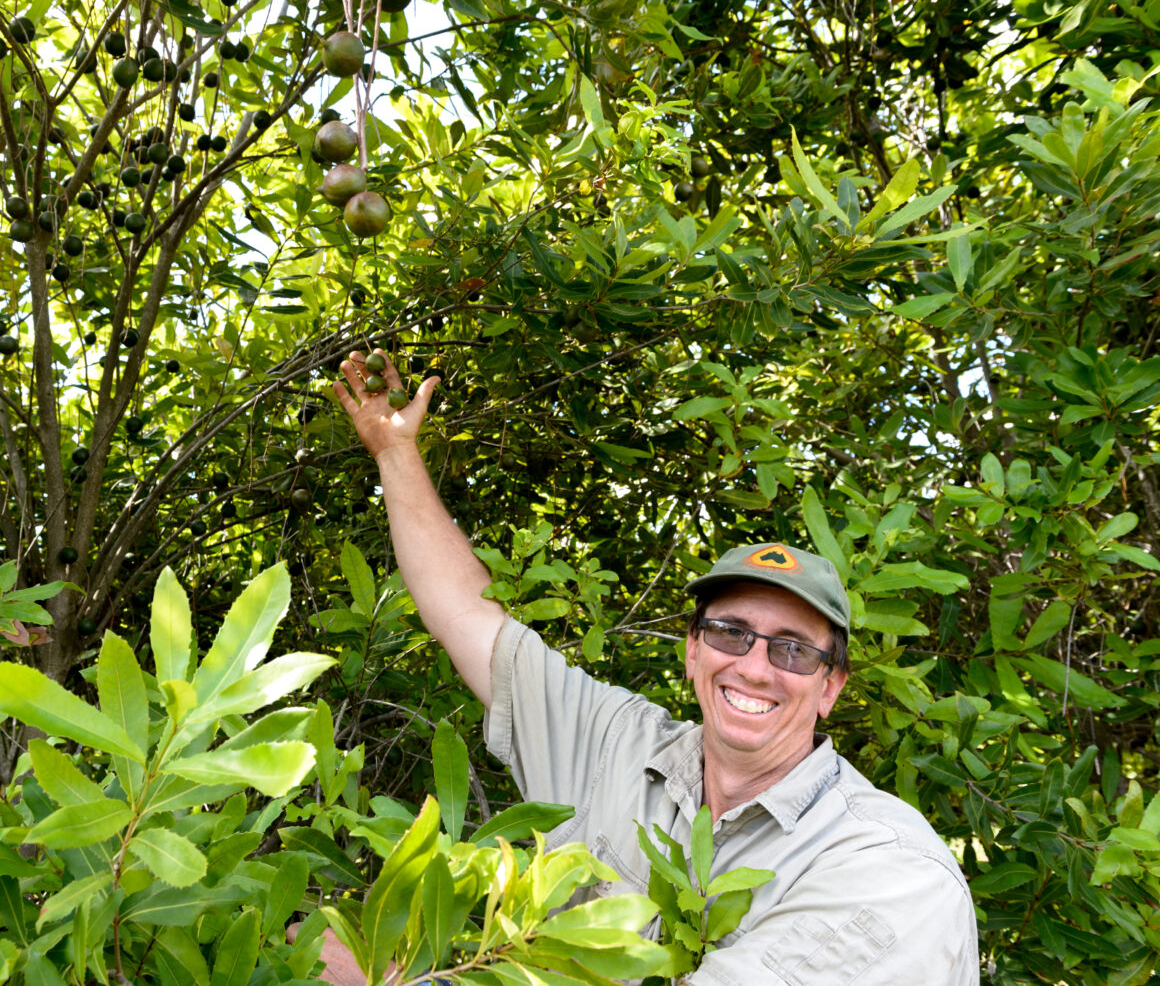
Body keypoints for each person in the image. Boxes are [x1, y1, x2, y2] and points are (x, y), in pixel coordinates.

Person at [315, 349, 980, 985]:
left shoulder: (889, 865)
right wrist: (396, 450)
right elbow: (469, 618)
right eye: (731, 633)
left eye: (792, 649)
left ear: (830, 685)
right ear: (693, 650)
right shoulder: (616, 747)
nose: (754, 667)